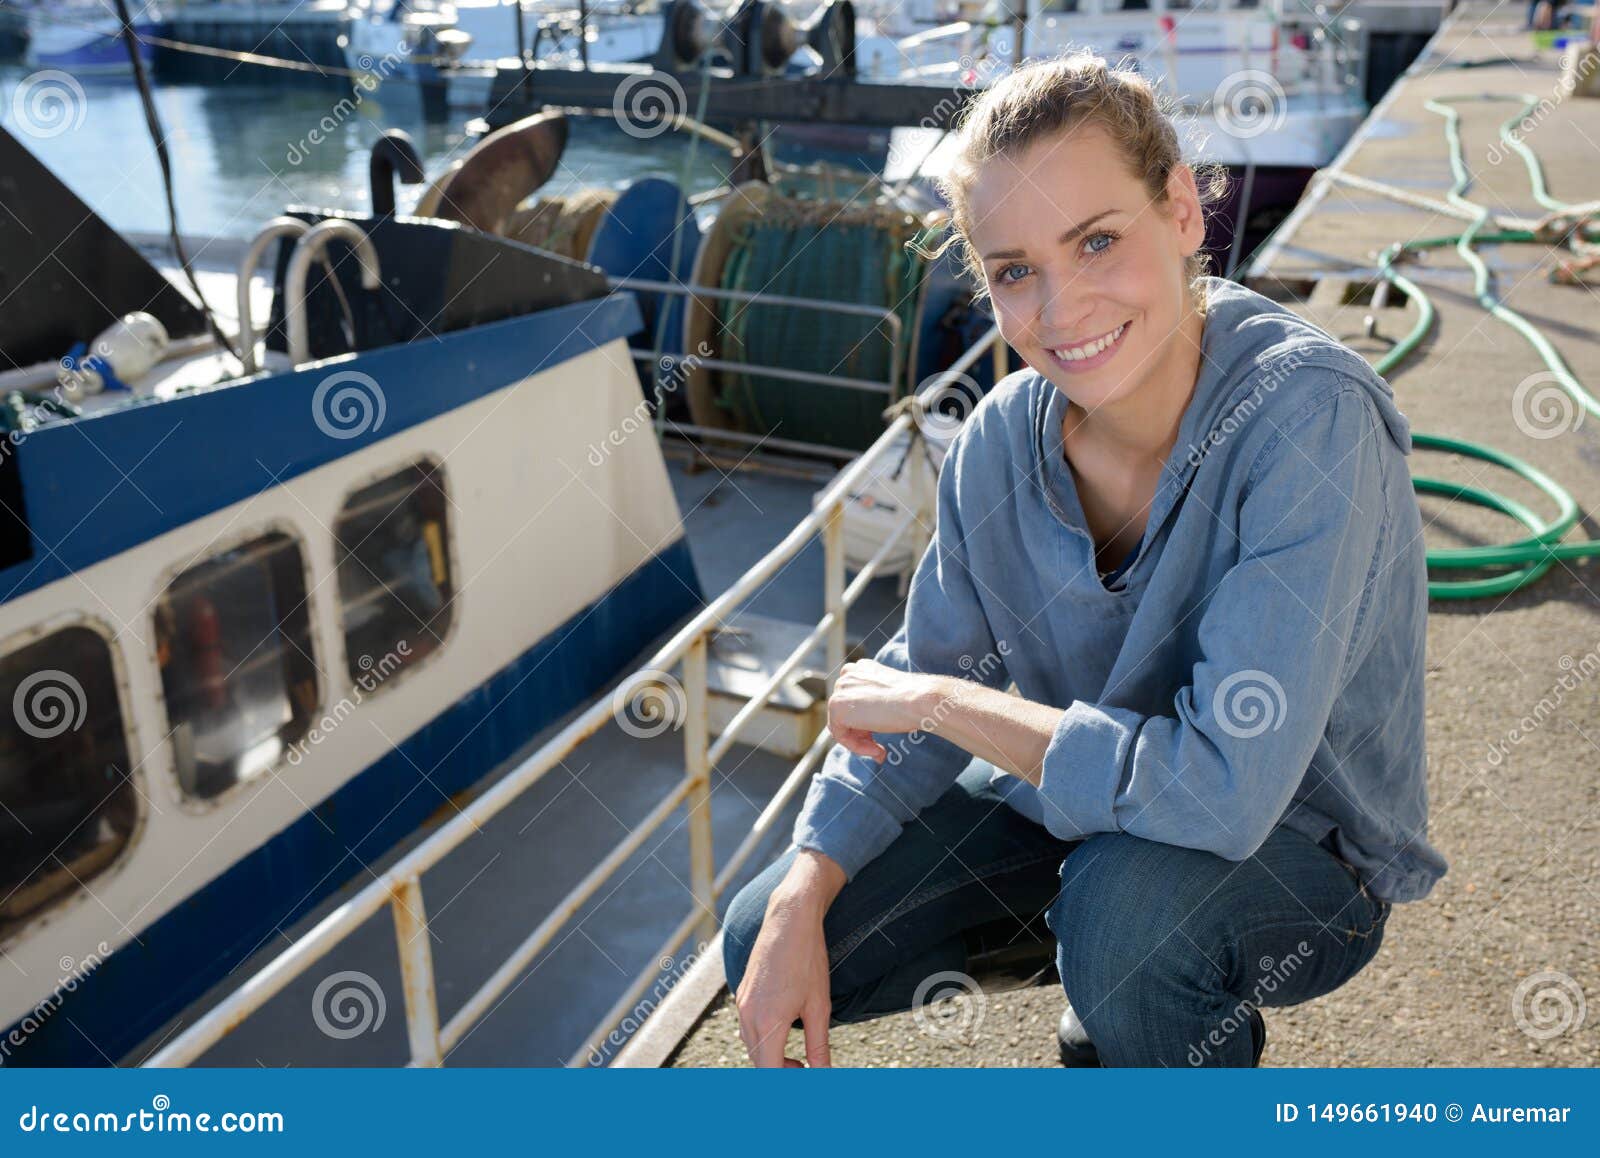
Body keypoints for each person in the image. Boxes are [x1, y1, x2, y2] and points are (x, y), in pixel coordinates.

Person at [722, 53, 1447, 1068]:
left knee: (1133, 922)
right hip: (1094, 810)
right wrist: (806, 879)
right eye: (1015, 270)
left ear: (1184, 213)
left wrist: (948, 706)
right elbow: (923, 678)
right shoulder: (999, 443)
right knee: (769, 929)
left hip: (1299, 848)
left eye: (1098, 241)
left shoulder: (1307, 423)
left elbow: (1221, 793)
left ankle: (1149, 1007)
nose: (1059, 311)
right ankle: (1114, 980)